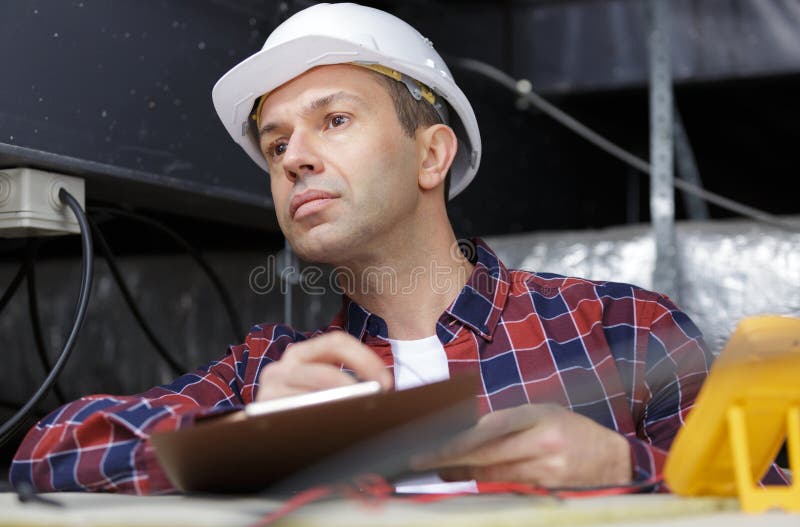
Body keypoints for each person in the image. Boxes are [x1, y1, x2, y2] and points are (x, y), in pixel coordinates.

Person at [9, 3, 785, 494]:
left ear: (431, 155)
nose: (294, 157)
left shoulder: (623, 330)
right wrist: (244, 435)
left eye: (334, 120)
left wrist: (624, 470)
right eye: (277, 142)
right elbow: (42, 453)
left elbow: (773, 493)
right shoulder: (270, 372)